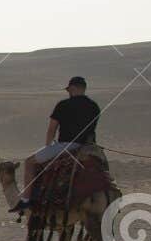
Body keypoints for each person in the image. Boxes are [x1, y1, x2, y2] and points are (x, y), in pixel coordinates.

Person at [12, 76, 102, 213]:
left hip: (66, 145)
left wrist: (48, 146)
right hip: (88, 148)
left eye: (69, 90)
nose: (68, 92)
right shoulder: (94, 106)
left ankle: (26, 200)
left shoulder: (63, 105)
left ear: (72, 88)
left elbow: (52, 129)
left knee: (29, 162)